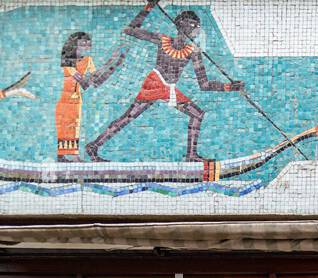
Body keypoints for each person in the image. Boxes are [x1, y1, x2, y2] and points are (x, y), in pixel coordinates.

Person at [86, 1, 245, 163]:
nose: (198, 30)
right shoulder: (163, 40)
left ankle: (191, 155)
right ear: (186, 26)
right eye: (196, 26)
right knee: (128, 117)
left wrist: (229, 87)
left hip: (169, 89)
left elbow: (204, 85)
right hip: (154, 84)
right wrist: (148, 8)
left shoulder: (193, 52)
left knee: (197, 114)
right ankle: (93, 146)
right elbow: (129, 30)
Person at [55, 32, 127, 162]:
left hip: (77, 99)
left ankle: (73, 155)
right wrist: (107, 64)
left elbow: (97, 81)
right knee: (65, 126)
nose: (86, 48)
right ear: (74, 45)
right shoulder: (67, 61)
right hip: (65, 100)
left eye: (88, 45)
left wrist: (114, 63)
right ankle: (63, 156)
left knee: (75, 126)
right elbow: (84, 83)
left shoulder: (88, 61)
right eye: (82, 44)